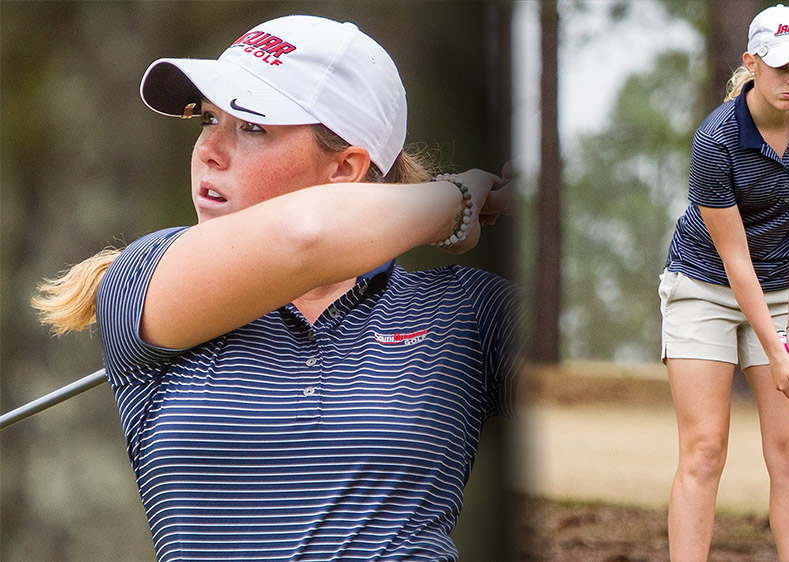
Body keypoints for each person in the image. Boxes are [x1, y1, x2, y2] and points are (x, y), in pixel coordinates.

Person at [32, 15, 519, 562]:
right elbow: (304, 235)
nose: (209, 150)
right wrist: (457, 200)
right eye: (208, 120)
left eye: (252, 126)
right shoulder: (142, 277)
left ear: (345, 170)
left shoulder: (465, 312)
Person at [658, 4, 789, 560]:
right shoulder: (714, 141)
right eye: (782, 66)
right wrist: (775, 346)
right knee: (703, 450)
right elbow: (734, 256)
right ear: (752, 63)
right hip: (705, 287)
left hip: (785, 284)